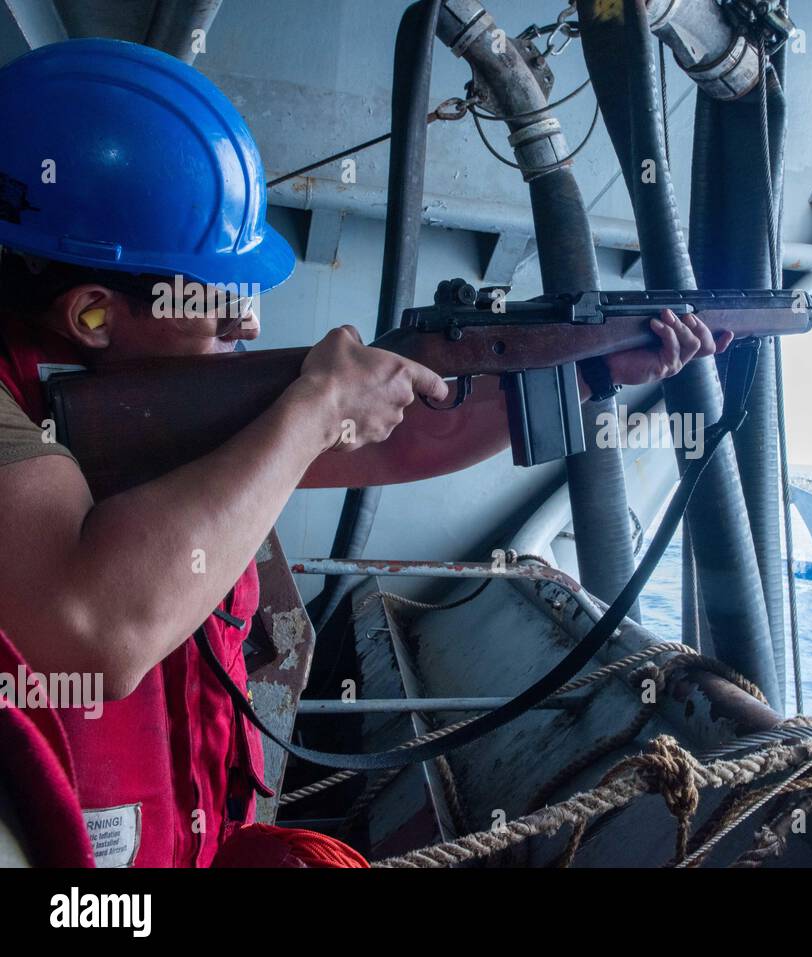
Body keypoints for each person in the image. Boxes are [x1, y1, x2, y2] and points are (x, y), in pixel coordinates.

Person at [0, 38, 727, 867]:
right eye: (216, 309)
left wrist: (596, 369)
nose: (249, 328)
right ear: (92, 314)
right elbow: (99, 632)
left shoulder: (127, 387)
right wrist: (311, 409)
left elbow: (402, 438)